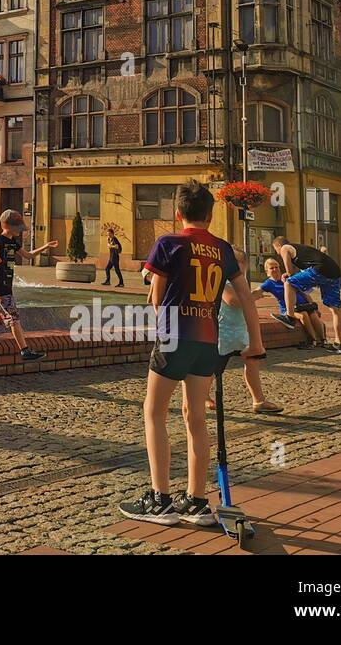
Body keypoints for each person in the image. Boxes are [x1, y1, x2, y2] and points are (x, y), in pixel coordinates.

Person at [119, 179, 263, 526]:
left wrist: (161, 323)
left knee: (153, 411)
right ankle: (197, 501)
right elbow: (244, 297)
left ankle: (160, 499)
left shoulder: (168, 243)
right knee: (195, 416)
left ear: (178, 213)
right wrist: (255, 341)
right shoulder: (223, 249)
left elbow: (156, 296)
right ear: (211, 215)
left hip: (174, 337)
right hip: (207, 341)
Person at [0, 210, 55, 361]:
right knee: (13, 317)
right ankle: (24, 350)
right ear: (6, 225)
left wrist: (45, 246)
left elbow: (28, 255)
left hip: (6, 284)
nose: (19, 232)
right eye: (17, 228)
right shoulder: (0, 240)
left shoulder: (13, 242)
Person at [273, 234, 341, 354]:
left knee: (289, 283)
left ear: (279, 246)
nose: (278, 254)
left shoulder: (285, 247)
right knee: (335, 309)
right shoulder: (303, 252)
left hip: (319, 269)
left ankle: (289, 317)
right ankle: (339, 343)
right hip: (334, 272)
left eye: (277, 251)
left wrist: (286, 274)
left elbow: (290, 272)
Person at [256, 256, 325, 347]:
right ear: (267, 272)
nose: (275, 269)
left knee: (313, 314)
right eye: (272, 268)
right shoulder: (269, 283)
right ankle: (313, 340)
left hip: (303, 305)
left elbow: (304, 293)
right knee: (303, 314)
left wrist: (313, 306)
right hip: (289, 309)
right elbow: (257, 291)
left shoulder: (287, 278)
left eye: (277, 267)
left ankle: (323, 340)